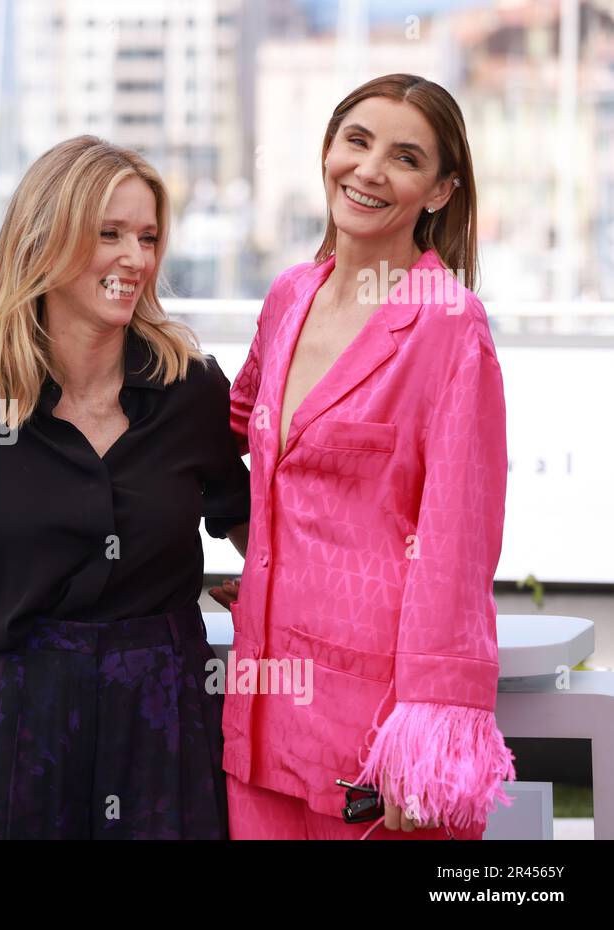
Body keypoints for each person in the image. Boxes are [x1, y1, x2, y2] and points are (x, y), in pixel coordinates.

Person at [0, 136, 251, 839]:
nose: (136, 258)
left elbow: (249, 525)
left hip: (164, 712)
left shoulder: (192, 389)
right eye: (110, 234)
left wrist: (282, 593)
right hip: (18, 715)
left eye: (148, 237)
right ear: (47, 239)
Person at [217, 73, 515, 840]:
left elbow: (457, 543)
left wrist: (429, 740)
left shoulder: (449, 325)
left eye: (405, 157)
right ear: (327, 151)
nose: (370, 169)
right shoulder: (289, 295)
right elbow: (240, 438)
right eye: (357, 141)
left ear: (441, 190)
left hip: (376, 734)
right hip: (259, 711)